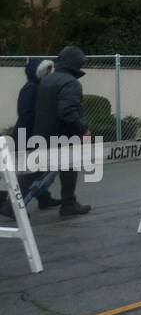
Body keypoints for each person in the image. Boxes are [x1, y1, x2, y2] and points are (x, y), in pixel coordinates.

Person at [31, 46, 92, 217]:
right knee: (69, 167)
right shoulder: (71, 83)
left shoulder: (47, 80)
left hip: (43, 134)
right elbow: (67, 111)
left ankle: (21, 199)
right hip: (63, 135)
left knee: (39, 170)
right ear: (76, 64)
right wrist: (83, 130)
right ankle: (68, 203)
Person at [0, 59, 58, 219]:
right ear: (38, 73)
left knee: (35, 168)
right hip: (27, 136)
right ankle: (12, 206)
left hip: (30, 134)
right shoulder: (31, 89)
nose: (48, 74)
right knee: (30, 170)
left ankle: (43, 197)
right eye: (46, 71)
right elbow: (26, 115)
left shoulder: (36, 87)